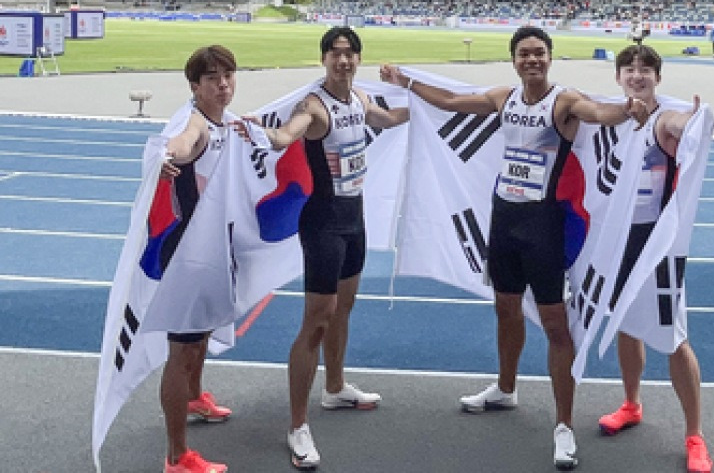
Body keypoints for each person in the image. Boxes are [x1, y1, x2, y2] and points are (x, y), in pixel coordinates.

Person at [380, 25, 650, 471]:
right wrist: (405, 82)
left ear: (549, 58)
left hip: (543, 225)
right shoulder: (503, 98)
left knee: (554, 322)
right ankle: (506, 389)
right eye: (524, 53)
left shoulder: (562, 101)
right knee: (504, 308)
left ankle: (563, 425)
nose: (532, 60)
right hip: (503, 219)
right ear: (514, 60)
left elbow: (598, 113)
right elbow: (448, 103)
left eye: (539, 53)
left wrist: (626, 109)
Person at [235, 27, 410, 471]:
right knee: (316, 322)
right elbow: (286, 135)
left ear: (358, 59)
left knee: (344, 308)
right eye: (335, 54)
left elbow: (388, 121)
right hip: (323, 225)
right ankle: (297, 425)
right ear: (323, 60)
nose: (343, 61)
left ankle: (335, 388)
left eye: (350, 54)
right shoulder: (314, 106)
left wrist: (427, 106)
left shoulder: (360, 101)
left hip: (355, 222)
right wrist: (262, 132)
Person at [596, 44, 713, 473]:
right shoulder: (611, 117)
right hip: (617, 242)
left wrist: (693, 121)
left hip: (656, 244)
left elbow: (676, 125)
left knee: (674, 338)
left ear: (658, 78)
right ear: (618, 76)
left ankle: (695, 434)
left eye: (646, 69)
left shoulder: (662, 117)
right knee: (627, 325)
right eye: (628, 68)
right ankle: (631, 404)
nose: (637, 75)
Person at [157, 45, 239, 473]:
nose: (223, 84)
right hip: (188, 254)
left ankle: (194, 397)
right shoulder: (196, 122)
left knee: (200, 340)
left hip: (214, 249)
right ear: (195, 86)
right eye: (212, 79)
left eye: (227, 76)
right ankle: (176, 458)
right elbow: (185, 143)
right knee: (181, 352)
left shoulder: (226, 121)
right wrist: (170, 155)